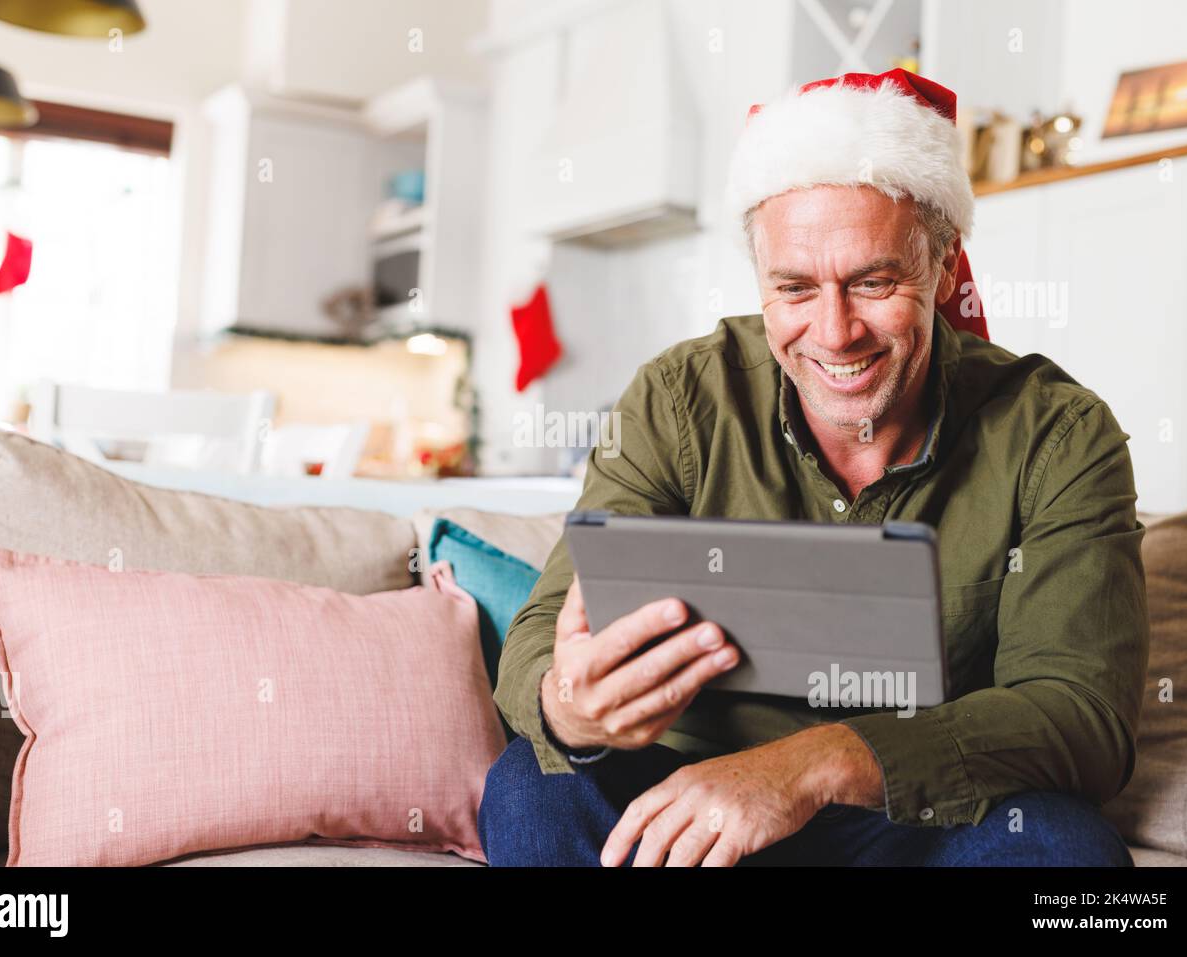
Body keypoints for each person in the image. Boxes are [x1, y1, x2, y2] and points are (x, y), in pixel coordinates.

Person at [479, 69, 1147, 867]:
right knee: (531, 784)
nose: (835, 333)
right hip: (685, 810)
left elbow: (1083, 718)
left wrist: (821, 762)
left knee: (1064, 848)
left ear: (941, 263)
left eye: (873, 281)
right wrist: (571, 707)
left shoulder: (1058, 433)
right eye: (794, 288)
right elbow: (535, 648)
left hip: (917, 816)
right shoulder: (680, 399)